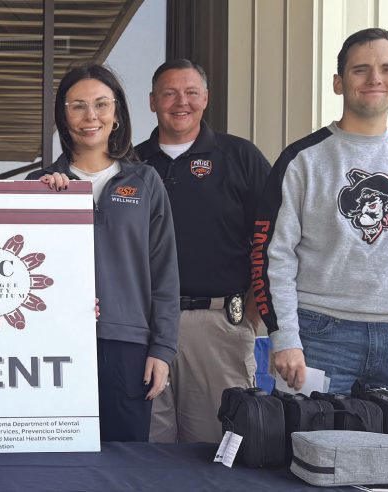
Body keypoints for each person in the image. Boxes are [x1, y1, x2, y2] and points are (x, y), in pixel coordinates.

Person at [253, 28, 388, 408]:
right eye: (360, 70)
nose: (375, 78)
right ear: (338, 83)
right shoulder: (302, 160)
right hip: (318, 337)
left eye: (387, 68)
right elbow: (272, 254)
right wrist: (284, 336)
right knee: (308, 458)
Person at [30, 63, 179, 442]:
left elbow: (163, 272)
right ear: (63, 116)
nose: (90, 116)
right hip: (53, 345)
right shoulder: (40, 185)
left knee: (124, 463)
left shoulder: (145, 181)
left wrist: (162, 349)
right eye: (78, 105)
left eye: (101, 104)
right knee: (59, 464)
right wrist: (44, 201)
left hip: (127, 345)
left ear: (116, 114)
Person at [136, 60, 271, 443]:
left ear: (206, 99)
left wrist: (255, 312)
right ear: (152, 101)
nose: (181, 102)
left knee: (217, 447)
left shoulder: (240, 157)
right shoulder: (131, 164)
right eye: (169, 93)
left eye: (191, 92)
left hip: (218, 326)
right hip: (145, 326)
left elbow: (274, 240)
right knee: (148, 449)